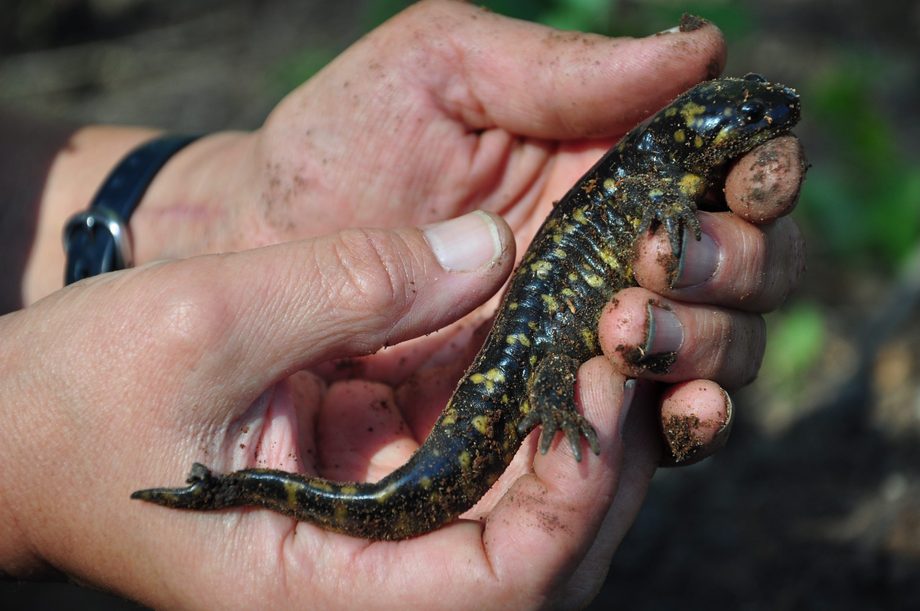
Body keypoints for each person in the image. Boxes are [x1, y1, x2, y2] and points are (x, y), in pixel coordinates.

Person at [0, 1, 805, 608]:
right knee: (543, 385)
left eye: (762, 110)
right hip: (528, 358)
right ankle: (236, 487)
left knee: (614, 339)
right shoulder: (659, 172)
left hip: (521, 355)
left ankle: (233, 486)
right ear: (704, 136)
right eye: (754, 113)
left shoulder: (662, 163)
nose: (772, 118)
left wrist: (201, 200)